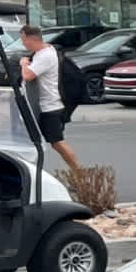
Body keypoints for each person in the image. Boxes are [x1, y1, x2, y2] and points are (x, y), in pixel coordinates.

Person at [18, 25, 80, 171]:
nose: (22, 43)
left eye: (23, 40)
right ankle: (31, 171)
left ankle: (79, 174)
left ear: (31, 39)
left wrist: (23, 64)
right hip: (47, 106)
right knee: (35, 141)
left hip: (50, 107)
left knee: (57, 143)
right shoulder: (45, 51)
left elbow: (27, 75)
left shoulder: (45, 55)